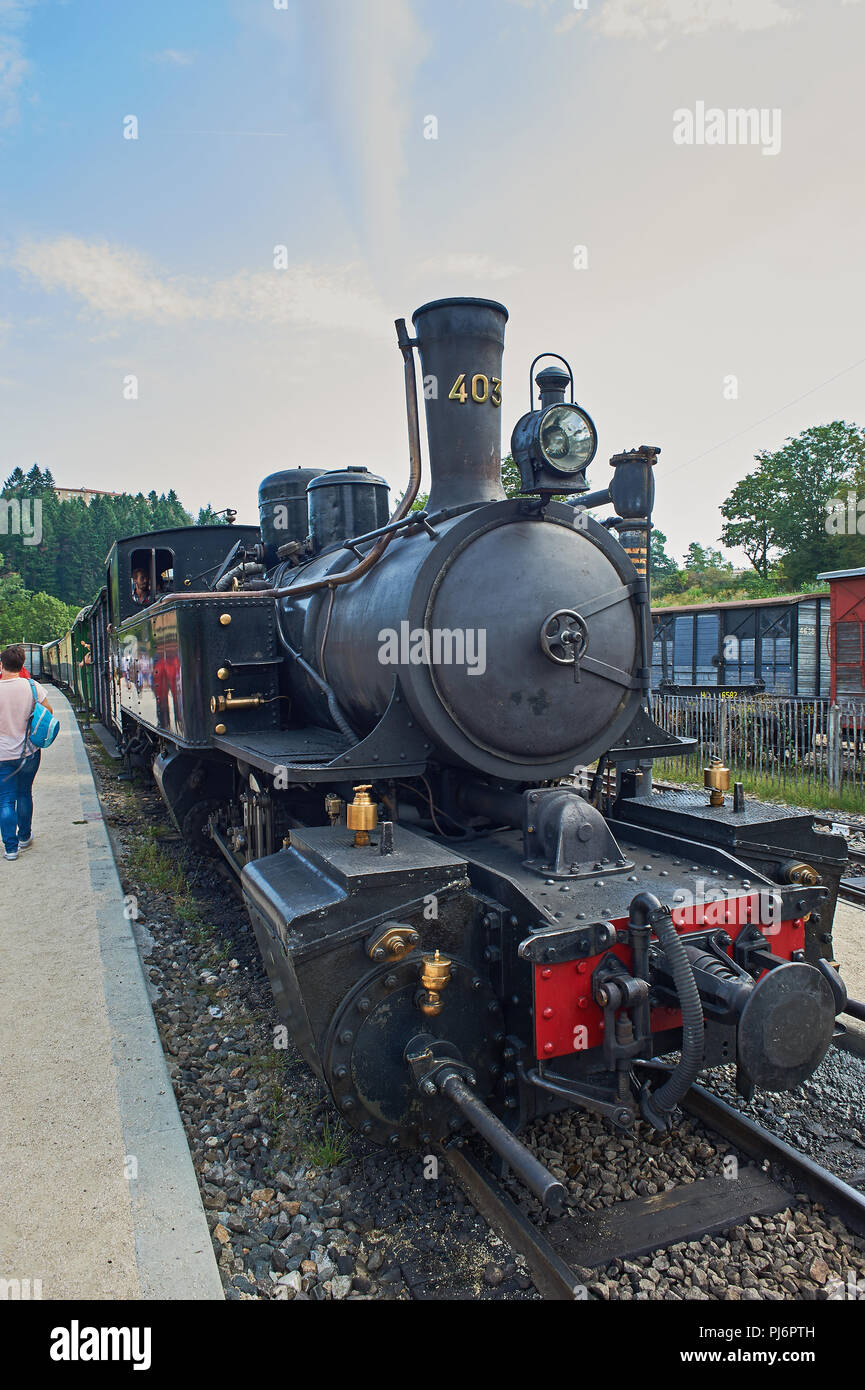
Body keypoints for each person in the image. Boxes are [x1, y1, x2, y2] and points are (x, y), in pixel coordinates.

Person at [0, 644, 53, 861]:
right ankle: (24, 836)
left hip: (2, 755)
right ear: (22, 665)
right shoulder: (32, 686)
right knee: (24, 793)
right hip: (28, 752)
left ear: (1, 665)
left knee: (5, 800)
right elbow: (48, 712)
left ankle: (11, 849)